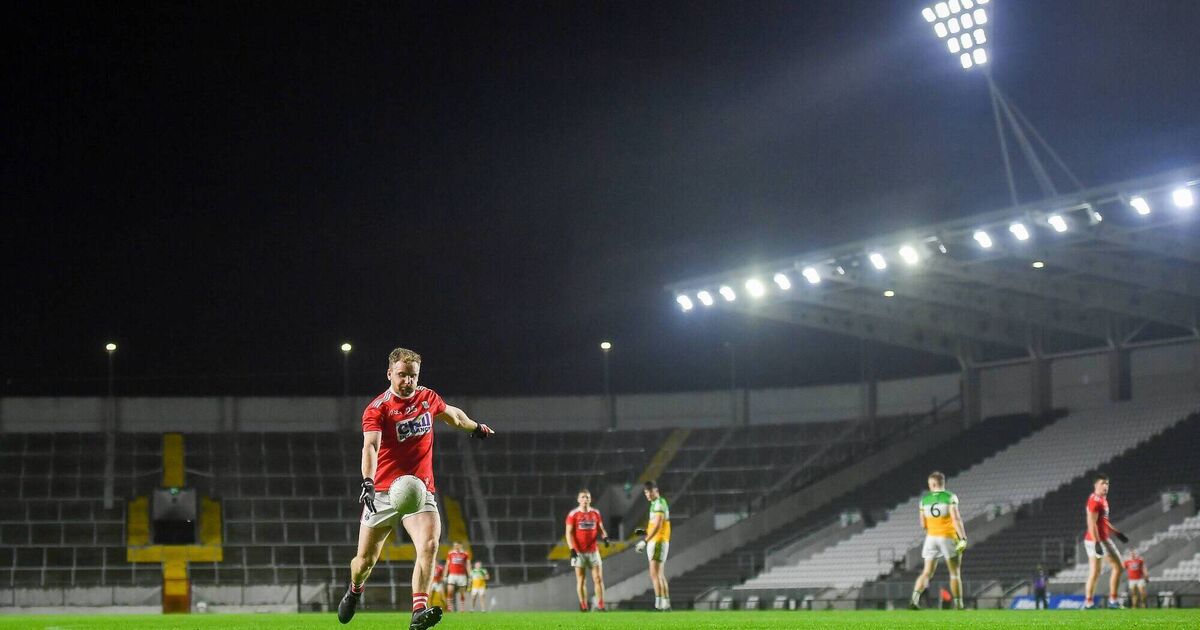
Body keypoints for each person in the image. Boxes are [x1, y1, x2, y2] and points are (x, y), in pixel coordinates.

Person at [337, 347, 494, 629]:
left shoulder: (427, 397)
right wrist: (368, 481)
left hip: (419, 490)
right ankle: (355, 588)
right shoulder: (378, 408)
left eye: (413, 376)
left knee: (430, 544)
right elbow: (370, 446)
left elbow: (454, 416)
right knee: (364, 562)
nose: (408, 381)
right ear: (389, 374)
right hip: (383, 493)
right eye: (402, 375)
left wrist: (475, 427)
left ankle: (418, 611)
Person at [910, 471, 967, 610]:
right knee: (954, 573)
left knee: (927, 572)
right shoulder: (950, 497)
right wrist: (963, 537)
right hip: (947, 536)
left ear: (934, 484)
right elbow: (955, 519)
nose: (929, 487)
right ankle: (959, 605)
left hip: (931, 538)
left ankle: (914, 600)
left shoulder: (924, 501)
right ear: (942, 483)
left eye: (930, 484)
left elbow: (923, 525)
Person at [1083, 473, 1128, 609]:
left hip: (1093, 539)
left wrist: (1116, 532)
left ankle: (1089, 603)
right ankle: (1113, 601)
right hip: (1098, 540)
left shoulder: (1101, 499)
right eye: (1103, 483)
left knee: (1095, 572)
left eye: (1107, 483)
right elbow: (1092, 523)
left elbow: (1103, 521)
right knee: (1118, 567)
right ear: (1096, 485)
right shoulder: (1095, 501)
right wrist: (1097, 542)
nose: (1106, 486)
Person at [565, 489, 610, 611]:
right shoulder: (573, 514)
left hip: (593, 551)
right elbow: (568, 533)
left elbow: (601, 528)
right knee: (581, 579)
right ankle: (583, 604)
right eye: (583, 497)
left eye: (587, 497)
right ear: (578, 499)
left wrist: (605, 537)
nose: (585, 499)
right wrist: (572, 549)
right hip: (579, 552)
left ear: (590, 499)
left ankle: (601, 605)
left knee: (598, 578)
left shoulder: (595, 513)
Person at [633, 480, 671, 611]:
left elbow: (659, 525)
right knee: (659, 574)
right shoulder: (655, 504)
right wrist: (644, 532)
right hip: (657, 540)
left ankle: (659, 605)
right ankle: (666, 604)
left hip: (658, 540)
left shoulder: (659, 503)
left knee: (654, 574)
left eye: (649, 492)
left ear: (656, 491)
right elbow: (655, 525)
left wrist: (644, 541)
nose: (647, 495)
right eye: (645, 492)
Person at [444, 542, 471, 612]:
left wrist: (469, 576)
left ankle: (462, 608)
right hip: (452, 575)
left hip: (462, 575)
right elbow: (447, 564)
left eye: (457, 545)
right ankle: (449, 608)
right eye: (455, 545)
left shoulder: (465, 554)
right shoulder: (450, 553)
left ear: (461, 546)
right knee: (450, 591)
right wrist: (445, 575)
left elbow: (468, 565)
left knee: (462, 593)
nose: (456, 546)